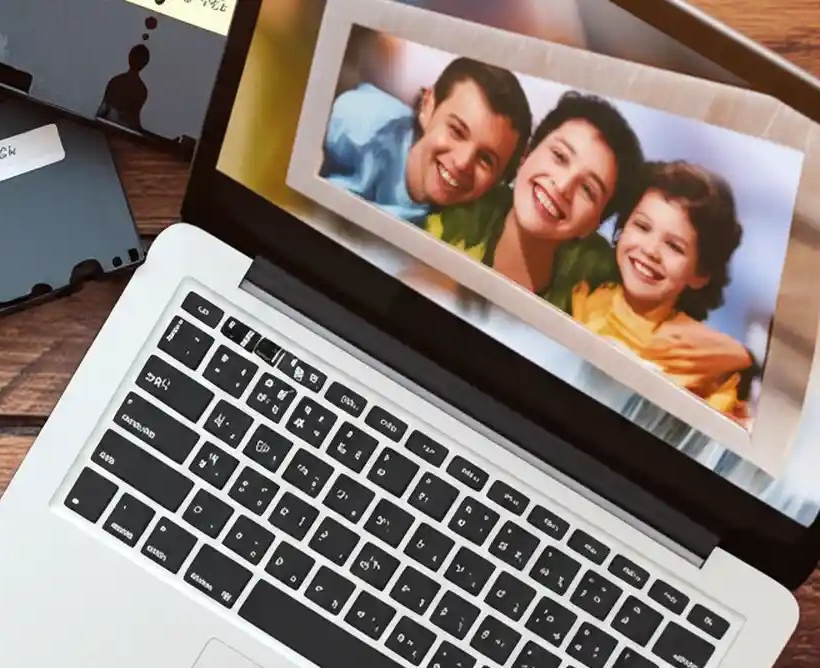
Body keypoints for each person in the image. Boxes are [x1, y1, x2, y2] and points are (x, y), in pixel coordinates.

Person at [426, 91, 644, 313]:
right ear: (526, 155)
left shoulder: (594, 286)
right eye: (560, 156)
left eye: (588, 189)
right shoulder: (460, 204)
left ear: (592, 225)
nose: (562, 186)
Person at [570, 161, 752, 422]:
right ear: (621, 230)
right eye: (642, 227)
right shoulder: (581, 294)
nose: (651, 250)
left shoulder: (706, 360)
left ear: (700, 274)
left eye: (674, 247)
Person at [322, 57, 532, 226]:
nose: (462, 163)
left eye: (486, 159)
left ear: (497, 181)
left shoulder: (470, 221)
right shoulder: (360, 121)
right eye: (457, 131)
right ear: (428, 106)